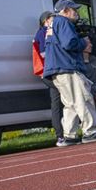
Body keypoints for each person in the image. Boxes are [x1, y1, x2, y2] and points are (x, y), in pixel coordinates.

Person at [43, 0, 96, 142]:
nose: (77, 12)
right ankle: (90, 132)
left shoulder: (54, 23)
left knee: (70, 104)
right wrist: (83, 42)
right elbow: (69, 43)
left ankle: (70, 135)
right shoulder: (63, 22)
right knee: (83, 98)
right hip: (67, 67)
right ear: (65, 11)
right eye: (74, 10)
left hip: (56, 70)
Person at [33, 11, 75, 147]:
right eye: (53, 19)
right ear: (46, 21)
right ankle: (71, 133)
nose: (55, 21)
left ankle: (60, 136)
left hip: (48, 73)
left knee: (56, 103)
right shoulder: (43, 32)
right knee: (73, 98)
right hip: (51, 72)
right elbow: (44, 53)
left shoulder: (42, 33)